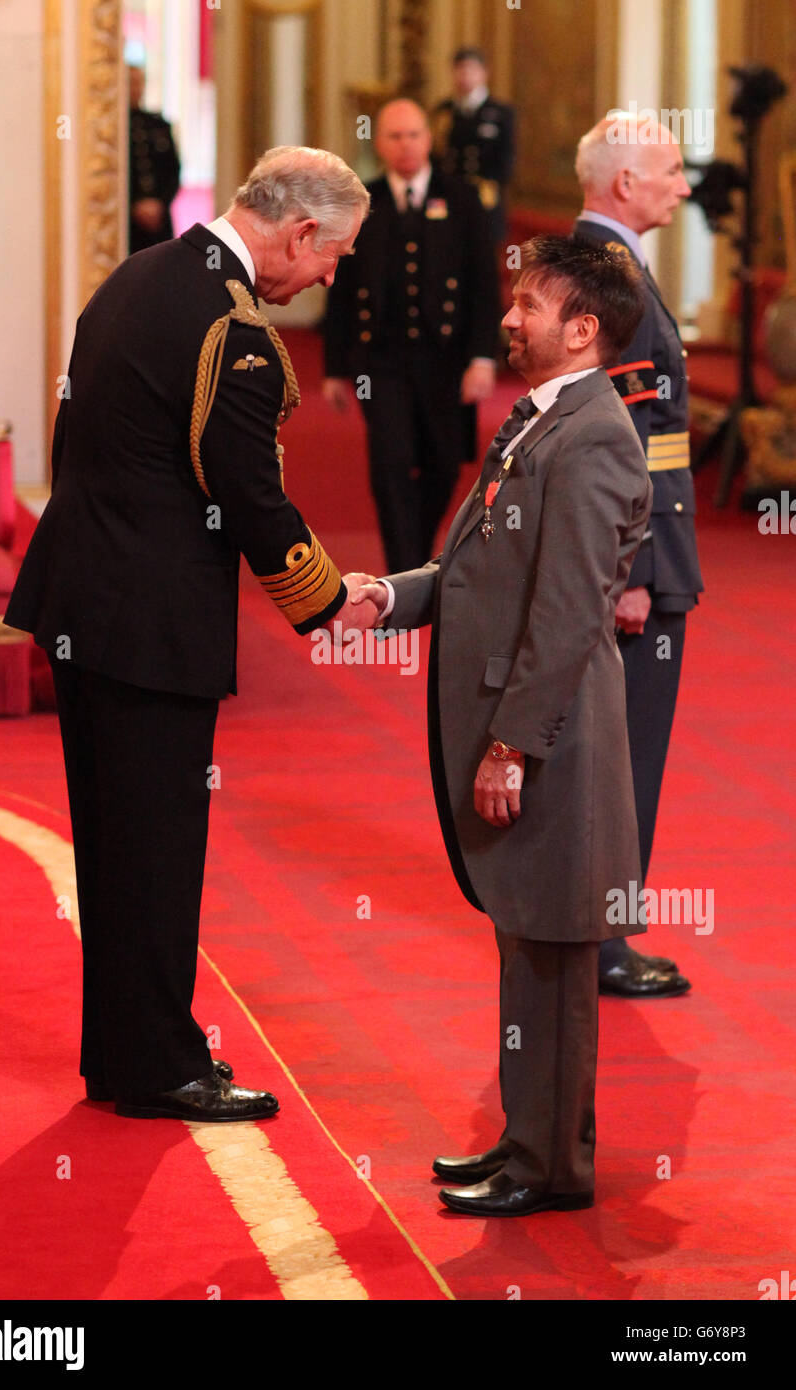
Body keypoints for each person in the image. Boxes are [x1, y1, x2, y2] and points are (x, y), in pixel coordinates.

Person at [5, 147, 375, 1123]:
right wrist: (332, 600)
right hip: (150, 623)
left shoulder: (137, 274)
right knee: (156, 851)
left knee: (117, 847)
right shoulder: (234, 328)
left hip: (86, 601)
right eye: (334, 255)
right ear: (298, 233)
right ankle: (160, 1064)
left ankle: (127, 1054)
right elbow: (249, 492)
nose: (330, 275)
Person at [347, 235, 652, 1215]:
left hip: (552, 737)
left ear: (582, 329)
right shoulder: (538, 419)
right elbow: (475, 567)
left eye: (528, 304)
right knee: (526, 945)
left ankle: (548, 1167)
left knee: (552, 955)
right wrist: (382, 597)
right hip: (526, 725)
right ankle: (530, 1140)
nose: (508, 318)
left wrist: (512, 744)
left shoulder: (594, 433)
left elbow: (564, 612)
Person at [574, 113, 703, 999]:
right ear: (623, 183)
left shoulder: (604, 267)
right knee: (626, 762)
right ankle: (604, 942)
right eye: (668, 170)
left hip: (645, 558)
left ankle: (599, 931)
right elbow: (620, 446)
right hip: (639, 569)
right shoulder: (612, 279)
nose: (683, 185)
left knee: (619, 758)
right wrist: (630, 572)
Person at [323, 98, 499, 574]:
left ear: (429, 139)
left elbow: (485, 285)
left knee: (443, 464)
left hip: (447, 358)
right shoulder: (363, 201)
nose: (405, 145)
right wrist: (336, 368)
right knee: (391, 463)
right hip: (379, 361)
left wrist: (484, 357)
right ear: (379, 143)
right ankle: (404, 574)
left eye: (414, 134)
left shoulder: (462, 198)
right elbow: (340, 289)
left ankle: (418, 551)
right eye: (395, 136)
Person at [431, 47, 515, 248]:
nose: (465, 76)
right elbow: (435, 156)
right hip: (447, 196)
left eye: (471, 69)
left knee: (482, 258)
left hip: (483, 197)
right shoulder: (443, 111)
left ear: (484, 73)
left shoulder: (500, 112)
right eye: (459, 69)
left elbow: (506, 160)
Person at [128, 64, 181, 254]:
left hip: (159, 220)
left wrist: (160, 203)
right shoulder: (112, 129)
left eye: (139, 83)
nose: (136, 88)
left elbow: (173, 170)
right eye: (130, 83)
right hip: (128, 222)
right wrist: (134, 204)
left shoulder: (159, 126)